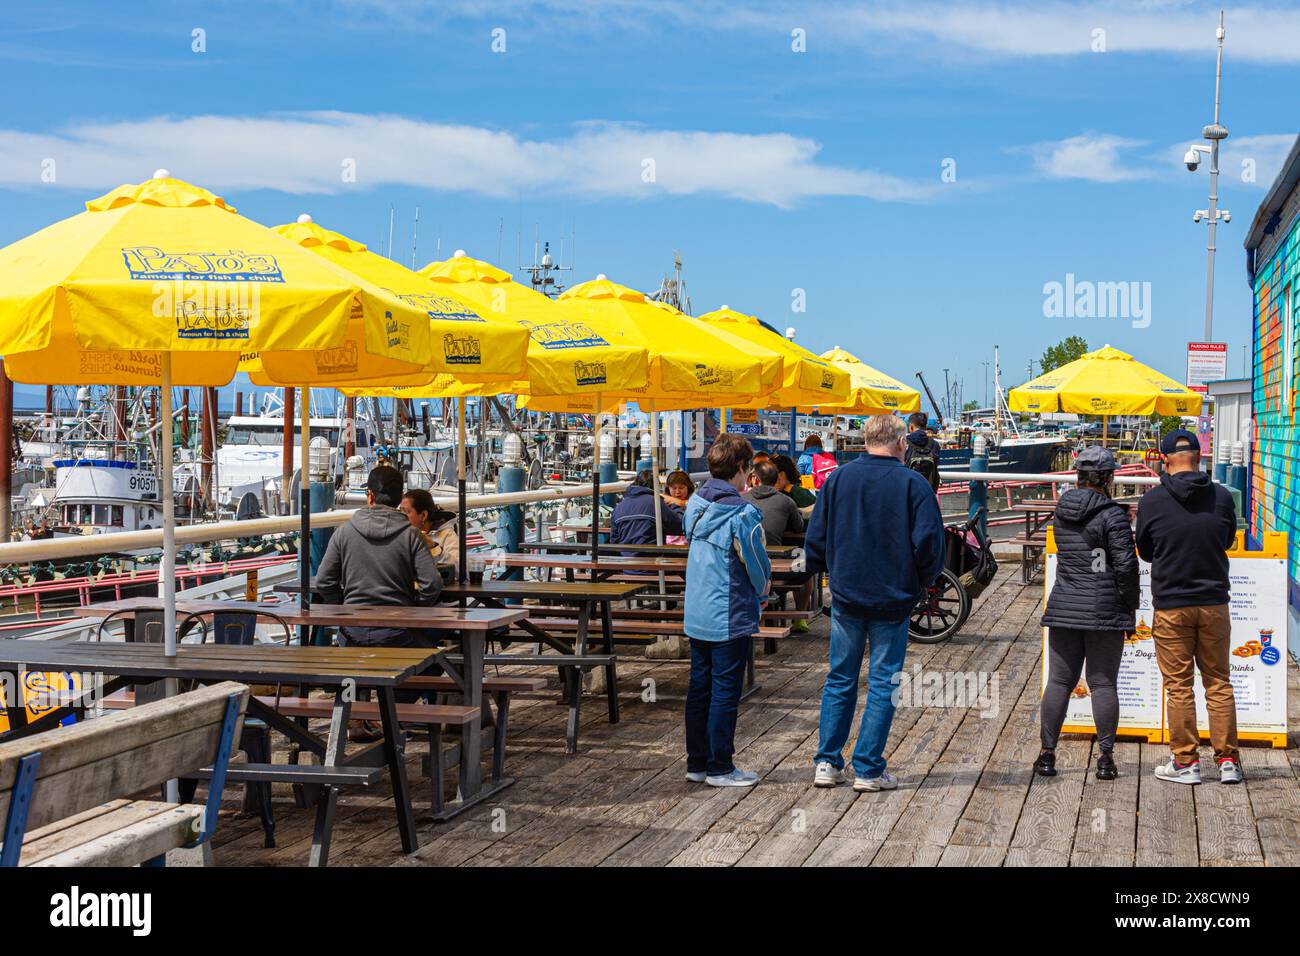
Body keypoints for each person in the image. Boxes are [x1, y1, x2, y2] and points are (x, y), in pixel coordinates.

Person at [806, 414, 944, 791]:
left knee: (840, 678)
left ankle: (827, 763)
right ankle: (867, 768)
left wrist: (825, 572)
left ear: (865, 441)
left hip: (847, 594)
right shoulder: (913, 485)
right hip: (893, 596)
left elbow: (815, 538)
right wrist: (922, 583)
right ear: (901, 443)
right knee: (884, 682)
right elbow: (930, 545)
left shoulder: (837, 480)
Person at [1136, 429, 1241, 785]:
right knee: (1219, 682)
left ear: (1165, 460)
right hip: (1214, 602)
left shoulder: (1152, 501)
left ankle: (1186, 762)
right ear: (1199, 456)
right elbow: (1226, 540)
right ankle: (1228, 761)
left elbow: (1145, 551)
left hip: (1171, 605)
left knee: (1178, 685)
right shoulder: (1223, 497)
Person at [1037, 446, 1139, 781]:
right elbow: (1125, 566)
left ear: (1078, 476)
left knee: (1059, 681)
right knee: (1103, 683)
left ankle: (1047, 755)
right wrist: (1129, 608)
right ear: (1109, 478)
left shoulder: (1060, 511)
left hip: (1064, 605)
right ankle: (1106, 760)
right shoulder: (1113, 517)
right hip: (1104, 609)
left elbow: (1081, 557)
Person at [683, 433, 772, 788]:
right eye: (748, 468)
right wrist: (764, 589)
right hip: (728, 610)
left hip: (697, 610)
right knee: (725, 691)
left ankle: (697, 763)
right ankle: (720, 766)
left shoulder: (694, 504)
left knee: (699, 688)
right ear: (740, 469)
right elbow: (755, 562)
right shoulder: (742, 513)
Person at [316, 466, 442, 645]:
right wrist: (415, 609)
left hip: (352, 633)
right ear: (400, 497)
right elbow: (432, 584)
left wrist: (343, 604)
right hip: (398, 633)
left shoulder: (344, 532)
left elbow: (324, 581)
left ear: (370, 495)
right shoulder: (411, 535)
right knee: (436, 662)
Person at [610, 469, 684, 546]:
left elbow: (614, 540)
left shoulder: (619, 507)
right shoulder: (655, 503)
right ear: (655, 486)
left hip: (624, 555)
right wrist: (674, 504)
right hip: (651, 554)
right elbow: (679, 525)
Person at [399, 488, 459, 582]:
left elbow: (461, 571)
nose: (401, 517)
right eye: (400, 511)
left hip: (439, 593)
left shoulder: (445, 534)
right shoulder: (401, 534)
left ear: (423, 515)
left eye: (406, 512)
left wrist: (434, 548)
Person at [743, 460, 805, 546]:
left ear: (755, 479)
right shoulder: (786, 501)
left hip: (745, 556)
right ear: (776, 479)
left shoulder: (741, 500)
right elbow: (799, 527)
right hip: (775, 554)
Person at [903, 411, 941, 491]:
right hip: (928, 491)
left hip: (908, 490)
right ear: (926, 426)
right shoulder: (935, 444)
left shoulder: (904, 443)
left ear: (911, 426)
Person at [662, 470, 694, 545]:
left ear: (688, 487)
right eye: (674, 488)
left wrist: (677, 502)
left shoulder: (695, 501)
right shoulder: (663, 502)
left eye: (681, 488)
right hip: (667, 546)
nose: (677, 491)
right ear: (668, 488)